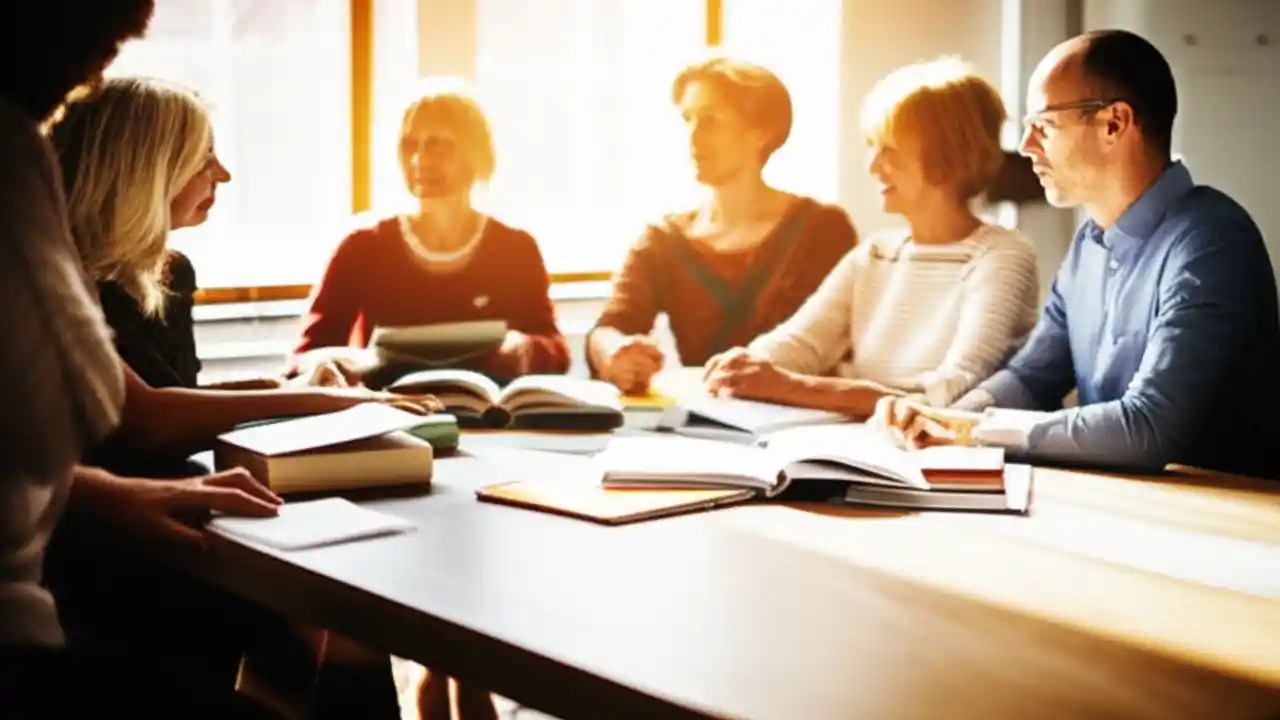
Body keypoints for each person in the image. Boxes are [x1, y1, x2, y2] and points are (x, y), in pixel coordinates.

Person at [0, 2, 286, 716]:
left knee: (300, 632)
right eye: (111, 35)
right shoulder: (13, 161)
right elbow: (111, 409)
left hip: (80, 550)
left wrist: (102, 491)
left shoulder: (161, 271)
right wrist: (340, 403)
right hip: (27, 625)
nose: (103, 67)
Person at [875, 30, 1280, 479]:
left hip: (1228, 520)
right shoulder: (1088, 245)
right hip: (1130, 503)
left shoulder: (1212, 241)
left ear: (1115, 124)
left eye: (1044, 125)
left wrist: (976, 431)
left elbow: (1147, 429)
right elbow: (1032, 378)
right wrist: (945, 418)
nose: (1027, 146)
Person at [703, 57, 1038, 418]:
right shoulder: (876, 254)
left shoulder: (1001, 254)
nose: (873, 166)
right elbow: (801, 343)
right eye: (872, 147)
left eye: (889, 150)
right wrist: (745, 366)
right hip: (868, 447)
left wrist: (799, 388)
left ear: (948, 155)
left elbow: (956, 393)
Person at [587, 57, 857, 394]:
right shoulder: (663, 239)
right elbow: (612, 325)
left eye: (711, 120)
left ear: (762, 132)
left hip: (799, 420)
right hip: (704, 419)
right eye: (688, 119)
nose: (693, 136)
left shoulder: (822, 230)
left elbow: (828, 344)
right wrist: (613, 352)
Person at [293, 77, 570, 383]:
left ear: (476, 154)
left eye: (440, 145)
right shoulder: (361, 248)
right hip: (387, 419)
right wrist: (329, 367)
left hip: (492, 420)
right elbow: (305, 356)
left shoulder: (516, 249)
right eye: (411, 145)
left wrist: (525, 348)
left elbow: (556, 351)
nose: (420, 159)